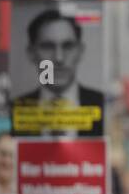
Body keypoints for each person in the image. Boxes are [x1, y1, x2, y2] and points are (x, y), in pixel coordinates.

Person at [11, 9, 104, 137]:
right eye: (47, 46)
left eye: (68, 46)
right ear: (31, 53)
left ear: (80, 51)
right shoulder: (13, 111)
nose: (59, 58)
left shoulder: (103, 106)